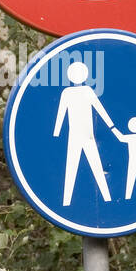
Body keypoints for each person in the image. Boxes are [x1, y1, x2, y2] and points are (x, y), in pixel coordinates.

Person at [53, 61, 114, 205]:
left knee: (95, 166)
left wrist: (111, 126)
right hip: (77, 136)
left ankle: (106, 198)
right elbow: (61, 113)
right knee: (72, 167)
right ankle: (67, 201)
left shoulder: (85, 91)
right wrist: (56, 132)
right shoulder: (69, 92)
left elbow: (99, 109)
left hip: (88, 136)